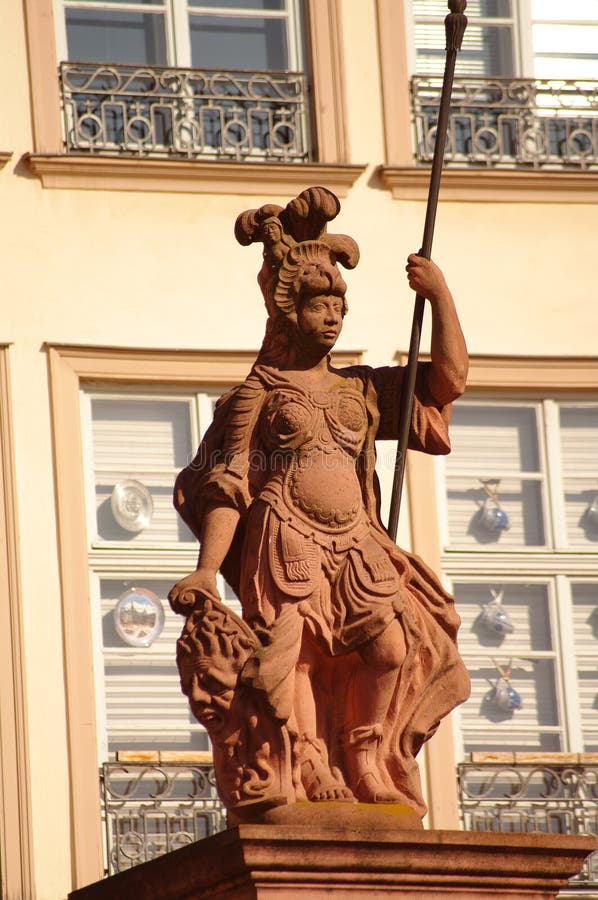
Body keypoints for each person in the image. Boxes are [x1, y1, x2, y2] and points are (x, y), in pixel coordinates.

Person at [170, 189, 470, 816]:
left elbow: (447, 383)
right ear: (287, 310)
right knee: (296, 656)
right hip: (287, 535)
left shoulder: (361, 386)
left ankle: (363, 752)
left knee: (391, 648)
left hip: (357, 541)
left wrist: (439, 295)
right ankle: (306, 752)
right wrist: (207, 568)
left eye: (338, 304)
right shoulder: (259, 392)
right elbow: (229, 484)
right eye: (318, 304)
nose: (332, 316)